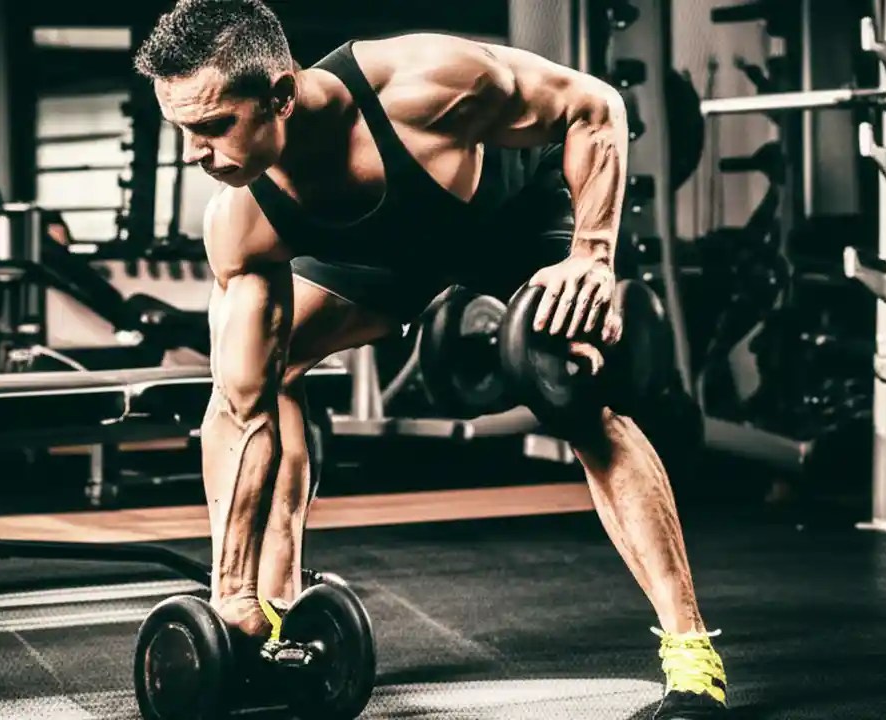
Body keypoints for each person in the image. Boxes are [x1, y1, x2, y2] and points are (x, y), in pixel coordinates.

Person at [134, 1, 726, 716]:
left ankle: (691, 653)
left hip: (506, 221)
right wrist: (228, 590)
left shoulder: (422, 85)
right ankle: (279, 602)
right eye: (183, 131)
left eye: (213, 127)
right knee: (268, 367)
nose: (196, 153)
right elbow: (240, 407)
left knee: (579, 401)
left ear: (281, 95)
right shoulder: (242, 220)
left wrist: (592, 257)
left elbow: (594, 106)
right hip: (387, 265)